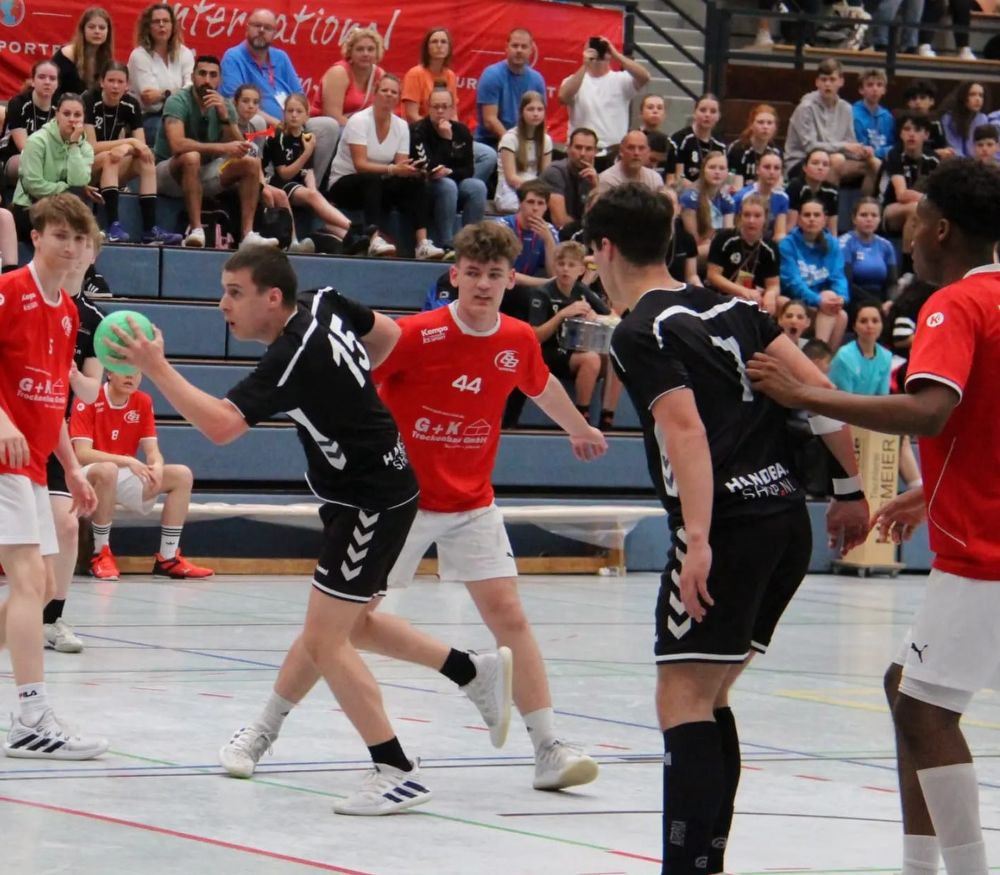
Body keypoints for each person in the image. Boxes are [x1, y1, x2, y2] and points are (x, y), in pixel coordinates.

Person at [108, 245, 514, 814]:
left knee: (326, 639)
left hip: (369, 501)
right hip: (376, 489)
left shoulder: (293, 356)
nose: (223, 304)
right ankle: (472, 670)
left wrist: (156, 368)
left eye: (235, 293)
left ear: (273, 298)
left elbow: (223, 427)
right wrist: (352, 398)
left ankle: (396, 768)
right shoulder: (325, 300)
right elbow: (391, 339)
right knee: (355, 625)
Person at [214, 224, 607, 792]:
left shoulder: (519, 338)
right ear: (454, 276)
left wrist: (579, 428)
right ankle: (263, 729)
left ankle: (548, 745)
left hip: (473, 499)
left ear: (509, 282)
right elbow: (347, 384)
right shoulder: (415, 335)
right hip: (402, 500)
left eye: (495, 276)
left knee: (509, 615)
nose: (482, 285)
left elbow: (540, 384)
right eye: (471, 273)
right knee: (338, 626)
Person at [582, 182, 869, 875]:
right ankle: (708, 860)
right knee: (710, 694)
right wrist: (852, 487)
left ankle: (687, 867)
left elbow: (684, 430)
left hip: (729, 526)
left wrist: (698, 539)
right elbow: (818, 394)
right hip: (785, 521)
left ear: (605, 250)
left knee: (681, 696)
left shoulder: (638, 329)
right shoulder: (738, 307)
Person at [748, 157, 1000, 875]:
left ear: (942, 229)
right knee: (905, 688)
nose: (909, 230)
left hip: (983, 552)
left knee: (924, 711)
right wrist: (931, 491)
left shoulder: (954, 304)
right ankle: (920, 863)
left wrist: (810, 397)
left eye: (917, 218)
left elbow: (930, 408)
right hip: (981, 529)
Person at [0, 193, 106, 759]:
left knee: (37, 586)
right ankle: (31, 718)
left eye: (77, 238)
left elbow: (54, 400)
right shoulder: (8, 292)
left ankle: (30, 711)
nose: (68, 246)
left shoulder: (67, 312)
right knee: (26, 581)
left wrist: (72, 466)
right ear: (35, 236)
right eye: (57, 234)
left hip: (34, 466)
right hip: (2, 461)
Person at [69, 370, 213, 580]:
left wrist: (156, 465)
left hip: (121, 474)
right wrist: (127, 460)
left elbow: (152, 450)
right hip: (86, 477)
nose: (131, 377)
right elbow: (82, 453)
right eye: (124, 371)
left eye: (136, 372)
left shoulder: (143, 401)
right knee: (108, 469)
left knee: (182, 475)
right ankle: (100, 554)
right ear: (108, 373)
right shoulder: (88, 398)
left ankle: (167, 558)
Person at [42, 229, 105, 655]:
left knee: (66, 525)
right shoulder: (26, 297)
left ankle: (52, 618)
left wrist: (69, 373)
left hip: (54, 431)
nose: (76, 250)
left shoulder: (96, 322)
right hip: (12, 424)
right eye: (67, 239)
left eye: (85, 243)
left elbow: (89, 393)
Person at [153, 55, 277, 250]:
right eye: (202, 74)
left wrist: (225, 117)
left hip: (202, 172)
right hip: (167, 173)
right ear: (193, 77)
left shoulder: (224, 105)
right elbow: (177, 145)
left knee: (251, 164)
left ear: (219, 80)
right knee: (191, 157)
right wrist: (221, 148)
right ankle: (196, 230)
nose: (207, 80)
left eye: (213, 75)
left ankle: (247, 235)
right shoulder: (178, 100)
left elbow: (240, 147)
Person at [327, 74, 445, 260]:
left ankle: (422, 243)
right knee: (371, 179)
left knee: (416, 182)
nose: (389, 95)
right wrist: (392, 170)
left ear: (398, 98)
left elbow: (400, 166)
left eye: (393, 92)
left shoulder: (401, 126)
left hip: (379, 184)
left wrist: (412, 171)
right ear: (375, 93)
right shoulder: (359, 121)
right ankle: (374, 239)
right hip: (345, 185)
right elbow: (360, 165)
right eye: (384, 90)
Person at [219, 8, 338, 189]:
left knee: (328, 126)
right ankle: (265, 187)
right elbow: (239, 105)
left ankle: (309, 189)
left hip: (291, 122)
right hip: (258, 127)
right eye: (257, 25)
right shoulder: (233, 57)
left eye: (267, 28)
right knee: (257, 119)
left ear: (274, 33)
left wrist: (296, 120)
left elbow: (299, 96)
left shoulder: (281, 57)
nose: (261, 31)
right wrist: (279, 124)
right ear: (247, 27)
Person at [83, 62, 182, 245]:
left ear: (127, 85)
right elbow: (91, 147)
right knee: (109, 156)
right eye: (111, 80)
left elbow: (141, 146)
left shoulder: (130, 104)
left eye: (120, 81)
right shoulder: (89, 100)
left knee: (146, 159)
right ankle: (113, 226)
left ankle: (150, 229)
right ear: (101, 82)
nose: (115, 86)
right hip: (84, 166)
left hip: (114, 164)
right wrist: (127, 142)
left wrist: (127, 147)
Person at [528, 240, 621, 429]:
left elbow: (613, 318)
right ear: (554, 266)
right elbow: (535, 337)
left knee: (618, 357)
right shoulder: (543, 293)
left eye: (571, 265)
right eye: (561, 264)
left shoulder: (582, 290)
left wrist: (596, 317)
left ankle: (607, 415)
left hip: (578, 347)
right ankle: (581, 415)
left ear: (581, 270)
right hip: (552, 352)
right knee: (591, 359)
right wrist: (562, 314)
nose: (565, 270)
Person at [263, 93, 365, 253]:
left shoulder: (306, 137)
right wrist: (307, 152)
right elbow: (284, 174)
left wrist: (313, 190)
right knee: (312, 197)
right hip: (277, 183)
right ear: (284, 114)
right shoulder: (278, 136)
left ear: (307, 116)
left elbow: (308, 170)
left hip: (296, 185)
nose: (294, 115)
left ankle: (349, 238)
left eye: (299, 111)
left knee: (317, 200)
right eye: (290, 111)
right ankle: (354, 228)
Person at [401, 26, 496, 186]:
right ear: (427, 47)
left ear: (449, 47)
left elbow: (453, 113)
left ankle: (463, 189)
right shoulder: (415, 74)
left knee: (488, 155)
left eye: (443, 42)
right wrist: (436, 130)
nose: (439, 45)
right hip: (423, 136)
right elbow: (411, 114)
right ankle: (445, 189)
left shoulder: (450, 75)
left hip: (447, 132)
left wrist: (456, 135)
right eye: (434, 42)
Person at [231, 83, 312, 254]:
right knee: (267, 194)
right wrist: (262, 186)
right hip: (231, 174)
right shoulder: (229, 123)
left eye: (255, 102)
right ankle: (264, 238)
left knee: (279, 194)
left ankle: (292, 242)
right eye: (245, 101)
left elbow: (257, 160)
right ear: (235, 102)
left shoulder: (257, 125)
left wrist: (261, 183)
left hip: (252, 175)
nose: (251, 105)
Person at [11, 94, 96, 242]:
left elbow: (78, 181)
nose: (72, 119)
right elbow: (34, 185)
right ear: (57, 115)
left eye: (77, 115)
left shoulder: (85, 148)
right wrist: (65, 189)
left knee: (77, 199)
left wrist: (74, 145)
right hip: (30, 208)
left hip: (63, 209)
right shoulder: (37, 141)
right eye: (66, 113)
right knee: (74, 203)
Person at [410, 86, 486, 250]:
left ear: (452, 109)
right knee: (447, 185)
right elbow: (428, 167)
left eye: (445, 107)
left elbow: (469, 170)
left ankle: (471, 242)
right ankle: (447, 242)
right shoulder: (418, 130)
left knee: (477, 186)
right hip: (426, 186)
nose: (440, 111)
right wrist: (446, 140)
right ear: (428, 108)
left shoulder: (462, 131)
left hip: (454, 180)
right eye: (435, 107)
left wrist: (450, 172)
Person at [557, 35, 650, 168]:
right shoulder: (574, 80)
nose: (599, 52)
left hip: (614, 152)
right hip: (582, 152)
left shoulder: (622, 80)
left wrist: (616, 55)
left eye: (602, 49)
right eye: (593, 48)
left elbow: (645, 77)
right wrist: (586, 64)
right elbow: (563, 97)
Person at [784, 58, 878, 189]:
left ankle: (865, 207)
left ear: (841, 81)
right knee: (836, 160)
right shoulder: (805, 108)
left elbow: (849, 144)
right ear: (817, 82)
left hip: (834, 158)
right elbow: (810, 147)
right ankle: (827, 205)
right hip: (801, 162)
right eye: (823, 80)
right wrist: (844, 146)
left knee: (875, 163)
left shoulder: (846, 108)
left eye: (832, 80)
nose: (827, 84)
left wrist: (861, 151)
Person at [779, 193, 850, 349]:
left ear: (824, 220)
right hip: (795, 301)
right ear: (798, 220)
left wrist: (842, 299)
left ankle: (823, 359)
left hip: (820, 305)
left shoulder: (832, 244)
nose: (812, 219)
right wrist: (818, 300)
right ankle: (816, 354)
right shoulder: (787, 244)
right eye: (807, 215)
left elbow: (838, 277)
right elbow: (792, 283)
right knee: (828, 299)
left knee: (841, 314)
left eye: (816, 215)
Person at [127, 3, 195, 144]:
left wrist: (164, 94)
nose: (162, 25)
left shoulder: (184, 53)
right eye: (156, 22)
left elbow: (192, 89)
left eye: (166, 21)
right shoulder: (139, 55)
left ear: (173, 26)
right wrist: (180, 92)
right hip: (150, 116)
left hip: (182, 113)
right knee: (163, 131)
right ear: (148, 27)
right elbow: (149, 99)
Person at [881, 114, 939, 275]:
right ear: (900, 134)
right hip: (888, 211)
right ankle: (907, 270)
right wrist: (929, 200)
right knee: (915, 208)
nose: (911, 134)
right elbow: (901, 194)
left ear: (926, 135)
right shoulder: (894, 155)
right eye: (907, 129)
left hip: (923, 208)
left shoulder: (933, 159)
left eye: (917, 130)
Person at [706, 192, 779, 315]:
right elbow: (713, 276)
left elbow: (773, 284)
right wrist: (742, 291)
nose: (751, 220)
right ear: (740, 217)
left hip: (754, 297)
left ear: (765, 217)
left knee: (781, 303)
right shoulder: (724, 238)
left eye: (757, 216)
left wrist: (770, 295)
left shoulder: (770, 248)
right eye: (747, 215)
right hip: (722, 296)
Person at [475, 28, 546, 150]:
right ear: (506, 48)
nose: (519, 50)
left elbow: (541, 118)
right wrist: (512, 145)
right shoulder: (492, 75)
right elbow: (489, 120)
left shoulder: (537, 79)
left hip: (526, 141)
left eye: (524, 47)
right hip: (490, 142)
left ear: (530, 51)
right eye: (515, 46)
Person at [0, 60, 58, 189]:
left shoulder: (59, 108)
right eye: (42, 77)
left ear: (57, 83)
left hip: (47, 160)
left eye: (52, 78)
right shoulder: (18, 103)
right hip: (12, 159)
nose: (47, 82)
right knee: (31, 161)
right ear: (33, 81)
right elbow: (25, 147)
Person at [311, 26, 385, 127]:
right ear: (350, 52)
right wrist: (361, 133)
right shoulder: (338, 73)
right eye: (360, 49)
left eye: (370, 49)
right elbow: (332, 116)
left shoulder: (380, 75)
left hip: (359, 129)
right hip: (328, 127)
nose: (365, 54)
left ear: (377, 53)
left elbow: (384, 112)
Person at [494, 180, 558, 289]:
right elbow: (501, 272)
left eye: (540, 203)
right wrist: (545, 283)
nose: (535, 208)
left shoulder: (550, 231)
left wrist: (548, 241)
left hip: (530, 287)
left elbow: (554, 275)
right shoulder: (502, 227)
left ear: (546, 207)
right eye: (530, 202)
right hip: (502, 286)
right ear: (520, 203)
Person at [495, 91, 552, 213]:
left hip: (536, 190)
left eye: (540, 109)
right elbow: (511, 178)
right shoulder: (509, 138)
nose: (535, 114)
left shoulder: (546, 140)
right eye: (530, 109)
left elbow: (545, 175)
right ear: (521, 112)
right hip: (511, 190)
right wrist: (534, 189)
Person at [541, 127, 599, 239]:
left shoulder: (592, 176)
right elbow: (560, 222)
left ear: (595, 152)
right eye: (578, 147)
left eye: (588, 149)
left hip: (578, 235)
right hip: (553, 237)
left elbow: (597, 219)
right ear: (568, 148)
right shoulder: (555, 172)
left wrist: (595, 187)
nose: (582, 153)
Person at [840, 197, 897, 308]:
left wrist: (891, 302)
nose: (869, 219)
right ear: (854, 219)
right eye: (864, 215)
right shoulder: (845, 243)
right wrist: (876, 305)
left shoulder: (886, 246)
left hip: (881, 302)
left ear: (880, 219)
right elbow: (846, 283)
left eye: (874, 215)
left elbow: (892, 284)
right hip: (853, 300)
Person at [679, 150, 735, 261]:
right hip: (690, 254)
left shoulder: (727, 201)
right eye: (712, 167)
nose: (717, 172)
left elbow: (728, 237)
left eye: (722, 168)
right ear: (703, 170)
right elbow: (692, 242)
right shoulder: (690, 197)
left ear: (727, 172)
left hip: (715, 250)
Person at [828, 304, 892, 395]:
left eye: (875, 321)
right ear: (854, 326)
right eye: (863, 321)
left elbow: (883, 397)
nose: (870, 326)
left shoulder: (886, 356)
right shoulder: (844, 356)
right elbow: (843, 402)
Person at [52, 7, 114, 99]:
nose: (97, 31)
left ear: (108, 32)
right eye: (91, 27)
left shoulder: (106, 59)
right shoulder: (67, 54)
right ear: (83, 30)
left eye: (102, 28)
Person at [732, 150, 789, 242]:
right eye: (767, 167)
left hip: (768, 245)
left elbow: (780, 233)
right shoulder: (743, 196)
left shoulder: (783, 198)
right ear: (758, 170)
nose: (772, 172)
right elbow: (734, 229)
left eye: (776, 168)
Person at [671, 93, 726, 186]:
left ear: (718, 116)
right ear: (694, 113)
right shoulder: (679, 140)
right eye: (703, 110)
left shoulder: (720, 145)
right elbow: (678, 177)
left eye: (713, 111)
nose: (707, 115)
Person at [726, 103, 782, 191]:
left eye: (769, 123)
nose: (765, 127)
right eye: (760, 122)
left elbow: (778, 185)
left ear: (775, 127)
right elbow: (732, 185)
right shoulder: (737, 149)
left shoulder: (776, 152)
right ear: (751, 125)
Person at [786, 148, 839, 236]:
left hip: (820, 238)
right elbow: (790, 228)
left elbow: (832, 231)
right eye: (815, 163)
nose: (820, 167)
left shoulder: (832, 191)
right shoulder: (795, 187)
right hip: (797, 237)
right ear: (805, 167)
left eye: (825, 165)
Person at [597, 130, 664, 194]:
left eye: (641, 148)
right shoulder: (607, 180)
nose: (636, 153)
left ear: (648, 152)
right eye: (631, 148)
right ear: (621, 151)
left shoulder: (654, 179)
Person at [901, 79, 952, 160]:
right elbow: (900, 150)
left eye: (922, 98)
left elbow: (943, 148)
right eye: (914, 99)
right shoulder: (902, 123)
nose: (918, 102)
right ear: (908, 103)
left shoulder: (936, 124)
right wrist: (935, 153)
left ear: (932, 101)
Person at [853, 68, 895, 165]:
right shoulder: (853, 113)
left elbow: (893, 145)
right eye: (870, 85)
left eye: (879, 85)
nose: (875, 89)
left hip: (884, 159)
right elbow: (861, 147)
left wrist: (879, 152)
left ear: (884, 90)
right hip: (861, 160)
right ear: (861, 90)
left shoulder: (887, 116)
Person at [939, 81, 988, 159]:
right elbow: (953, 145)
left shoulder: (982, 119)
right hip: (955, 162)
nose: (978, 99)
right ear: (963, 97)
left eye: (981, 95)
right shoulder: (948, 118)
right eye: (972, 95)